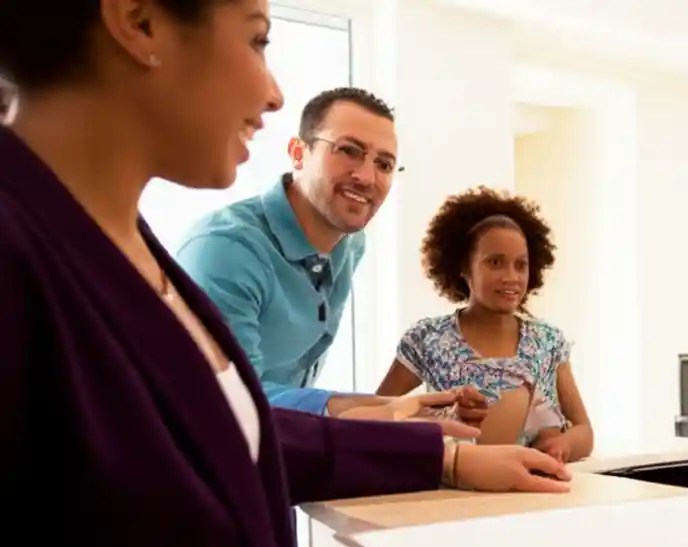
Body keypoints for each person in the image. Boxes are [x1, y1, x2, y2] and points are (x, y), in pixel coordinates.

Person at [0, 1, 572, 547]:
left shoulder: (128, 245)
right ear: (139, 21)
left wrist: (443, 457)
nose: (274, 94)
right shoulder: (26, 254)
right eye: (256, 40)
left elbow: (223, 435)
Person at [173, 85, 482, 424]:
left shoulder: (350, 244)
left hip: (280, 446)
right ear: (298, 153)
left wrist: (406, 410)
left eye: (384, 163)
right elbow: (229, 399)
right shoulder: (225, 250)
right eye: (348, 150)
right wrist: (373, 411)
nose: (366, 176)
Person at [376, 187, 594, 462]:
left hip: (535, 493)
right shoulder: (427, 339)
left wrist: (563, 446)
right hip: (452, 497)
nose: (511, 277)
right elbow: (375, 419)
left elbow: (584, 431)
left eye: (521, 265)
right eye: (495, 263)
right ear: (463, 267)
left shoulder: (548, 342)